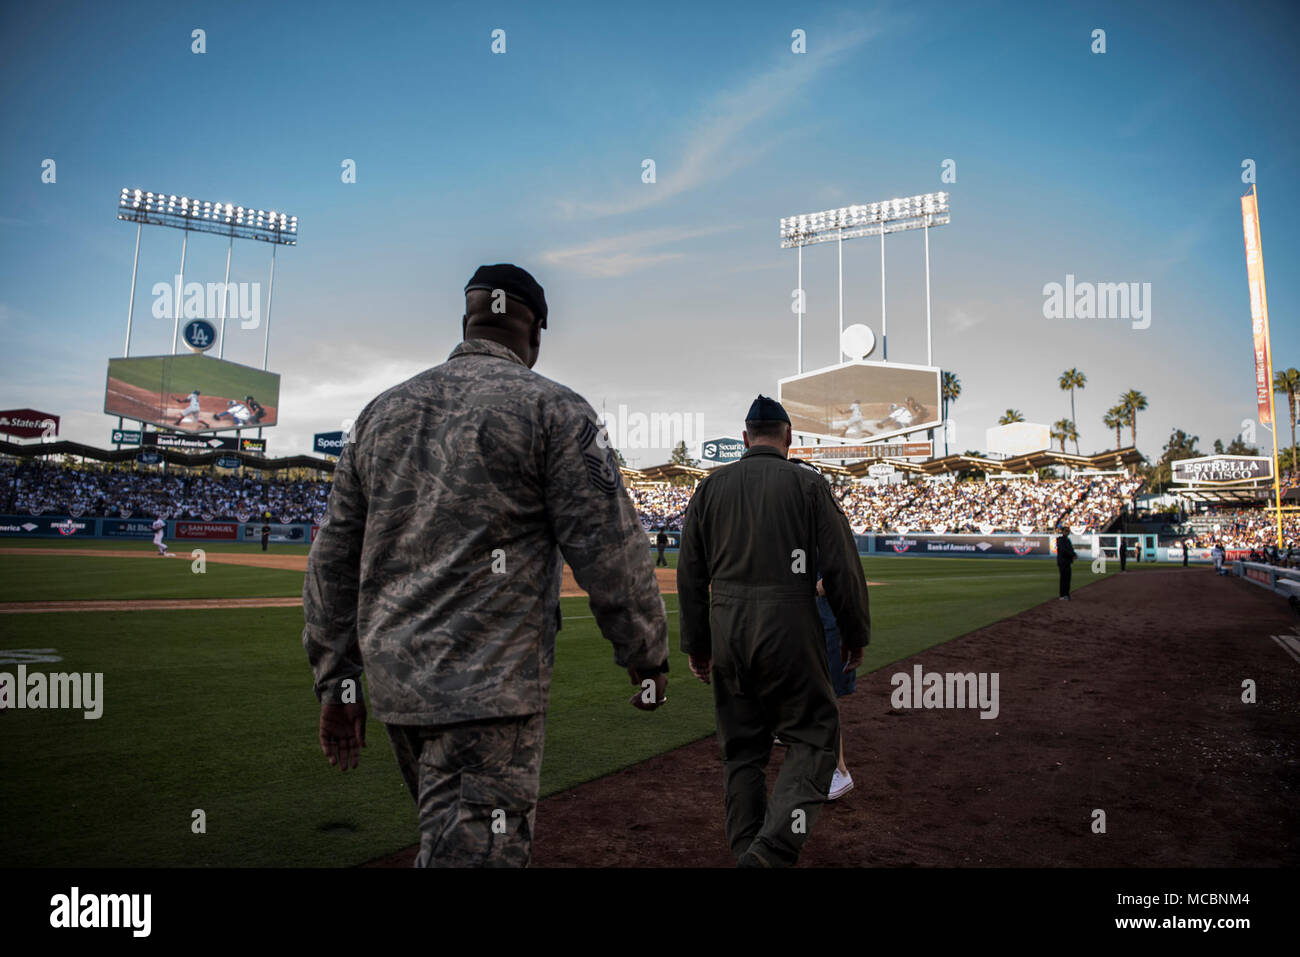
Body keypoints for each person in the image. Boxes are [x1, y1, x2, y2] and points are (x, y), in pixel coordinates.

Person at [303, 263, 669, 868]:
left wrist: (337, 681)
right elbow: (610, 547)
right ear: (539, 331)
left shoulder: (379, 414)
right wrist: (645, 652)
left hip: (400, 689)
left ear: (465, 320)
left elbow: (332, 563)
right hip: (490, 693)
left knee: (449, 847)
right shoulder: (554, 408)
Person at [677, 395, 870, 868]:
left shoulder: (709, 487)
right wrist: (854, 632)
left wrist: (697, 646)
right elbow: (843, 567)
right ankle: (769, 854)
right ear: (788, 439)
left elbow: (689, 575)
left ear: (745, 439)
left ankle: (747, 853)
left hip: (727, 628)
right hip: (789, 628)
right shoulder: (808, 484)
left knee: (742, 753)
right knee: (814, 738)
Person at [1055, 527, 1076, 600]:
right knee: (1064, 579)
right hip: (1063, 561)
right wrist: (1072, 554)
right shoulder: (1060, 540)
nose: (1067, 532)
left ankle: (1066, 594)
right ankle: (1062, 595)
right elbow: (1064, 550)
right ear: (1063, 532)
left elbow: (1070, 549)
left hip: (1067, 561)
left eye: (1068, 531)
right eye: (1066, 531)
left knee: (1067, 578)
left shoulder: (1067, 540)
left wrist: (1074, 554)